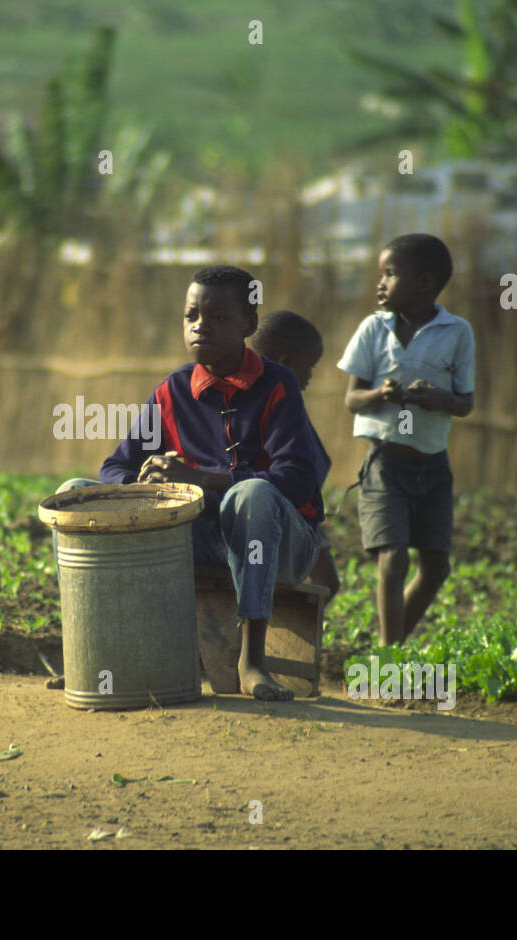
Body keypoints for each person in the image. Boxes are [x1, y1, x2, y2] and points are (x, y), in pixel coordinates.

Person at [55, 266, 330, 701]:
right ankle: (90, 653)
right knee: (76, 492)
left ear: (249, 325)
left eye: (218, 317)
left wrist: (201, 479)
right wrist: (150, 485)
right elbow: (114, 468)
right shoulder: (173, 391)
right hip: (201, 540)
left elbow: (295, 483)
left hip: (279, 544)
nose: (201, 325)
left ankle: (251, 661)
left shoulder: (279, 385)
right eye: (192, 316)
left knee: (252, 493)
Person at [336, 234, 475, 645]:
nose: (380, 283)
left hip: (432, 465)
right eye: (381, 274)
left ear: (425, 282)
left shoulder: (456, 332)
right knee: (393, 557)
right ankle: (388, 655)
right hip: (385, 464)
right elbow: (352, 400)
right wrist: (382, 394)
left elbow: (465, 403)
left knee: (436, 568)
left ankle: (391, 645)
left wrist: (438, 398)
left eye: (390, 274)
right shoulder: (373, 329)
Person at [248, 310, 341, 600]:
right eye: (310, 367)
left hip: (301, 510)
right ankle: (273, 632)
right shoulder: (263, 401)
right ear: (286, 362)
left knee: (326, 584)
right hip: (284, 511)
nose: (311, 377)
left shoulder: (284, 399)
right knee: (283, 584)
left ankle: (283, 632)